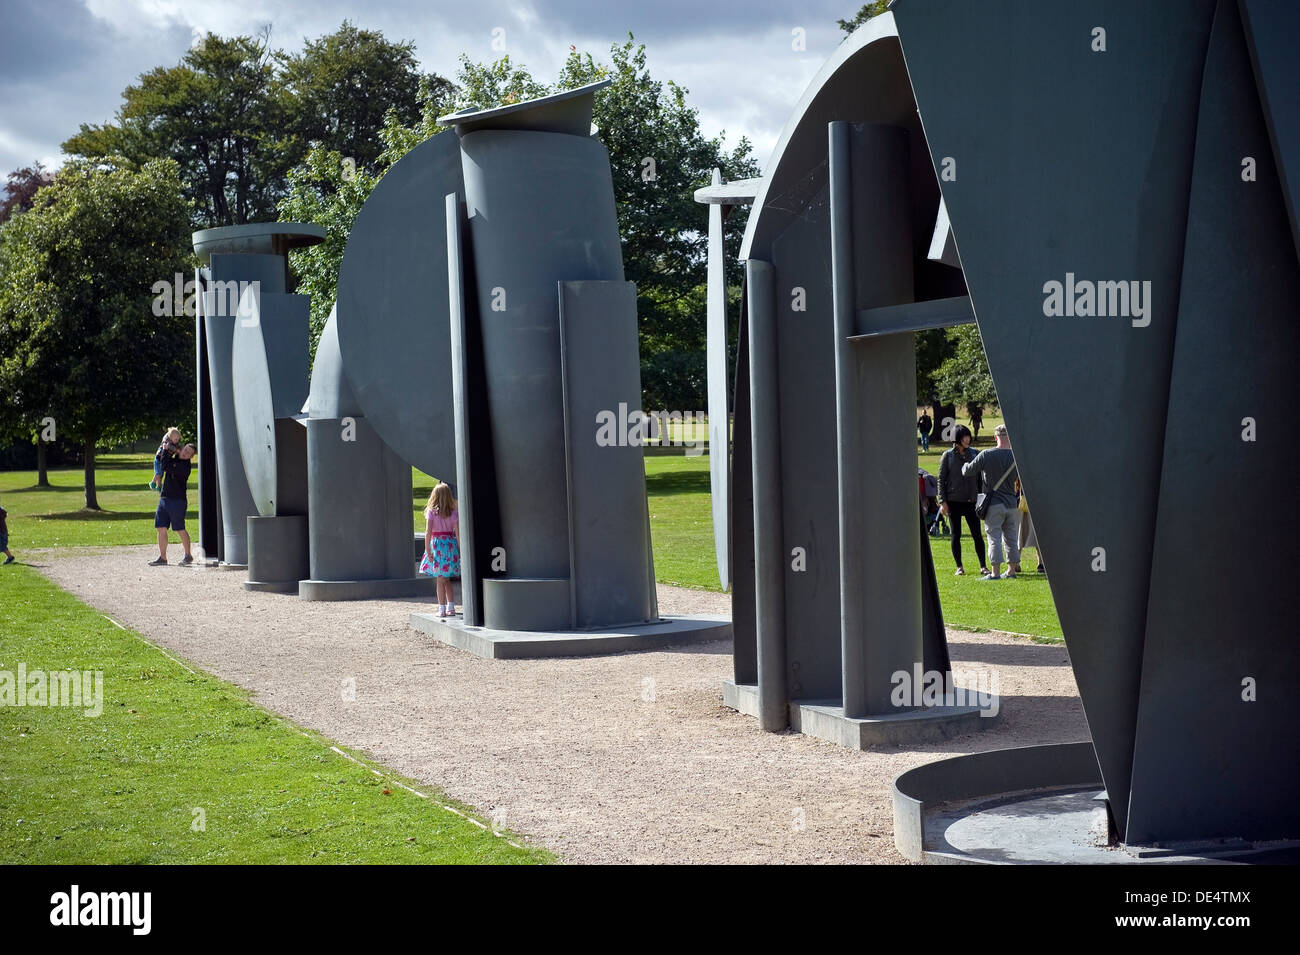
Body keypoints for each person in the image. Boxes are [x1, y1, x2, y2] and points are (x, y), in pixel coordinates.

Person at [961, 423, 1020, 579]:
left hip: (993, 503)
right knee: (1011, 537)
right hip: (1012, 503)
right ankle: (1012, 571)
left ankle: (994, 573)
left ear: (995, 437)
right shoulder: (1017, 456)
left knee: (993, 537)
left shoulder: (987, 454)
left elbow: (968, 471)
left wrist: (964, 464)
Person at [938, 425, 988, 576]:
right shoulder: (947, 456)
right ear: (957, 438)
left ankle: (983, 566)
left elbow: (981, 478)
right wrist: (942, 501)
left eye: (968, 436)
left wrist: (982, 497)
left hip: (972, 501)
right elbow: (941, 479)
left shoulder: (975, 454)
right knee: (956, 534)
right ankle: (959, 566)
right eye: (964, 436)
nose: (967, 439)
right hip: (953, 501)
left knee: (977, 535)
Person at [150, 440, 195, 566]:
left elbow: (165, 466)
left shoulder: (184, 466)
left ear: (191, 457)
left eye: (188, 453)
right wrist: (169, 448)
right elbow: (164, 462)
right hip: (164, 498)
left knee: (179, 528)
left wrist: (165, 450)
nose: (185, 453)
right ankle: (163, 558)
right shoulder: (175, 459)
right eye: (185, 449)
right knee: (161, 527)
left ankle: (188, 555)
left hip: (177, 501)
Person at [421, 482, 460, 617]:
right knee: (447, 579)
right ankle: (451, 607)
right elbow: (458, 533)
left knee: (440, 580)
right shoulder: (454, 513)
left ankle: (442, 609)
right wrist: (460, 550)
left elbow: (428, 532)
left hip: (437, 547)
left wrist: (428, 550)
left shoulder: (431, 513)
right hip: (450, 546)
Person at [149, 427, 181, 492]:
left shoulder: (175, 443)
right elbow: (171, 447)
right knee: (158, 473)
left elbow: (178, 448)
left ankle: (159, 487)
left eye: (178, 439)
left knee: (161, 475)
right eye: (176, 439)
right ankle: (152, 483)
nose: (177, 440)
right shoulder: (167, 441)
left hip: (163, 460)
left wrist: (179, 450)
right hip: (158, 459)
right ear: (170, 437)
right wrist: (176, 450)